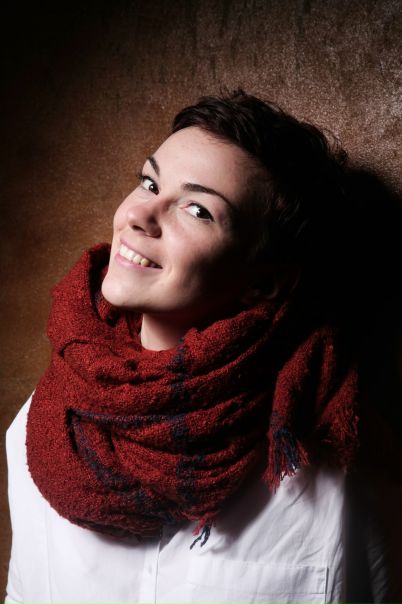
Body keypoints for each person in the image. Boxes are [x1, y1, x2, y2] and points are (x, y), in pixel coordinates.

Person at [5, 90, 401, 604]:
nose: (140, 215)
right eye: (150, 183)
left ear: (264, 282)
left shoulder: (330, 470)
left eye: (196, 210)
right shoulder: (44, 423)